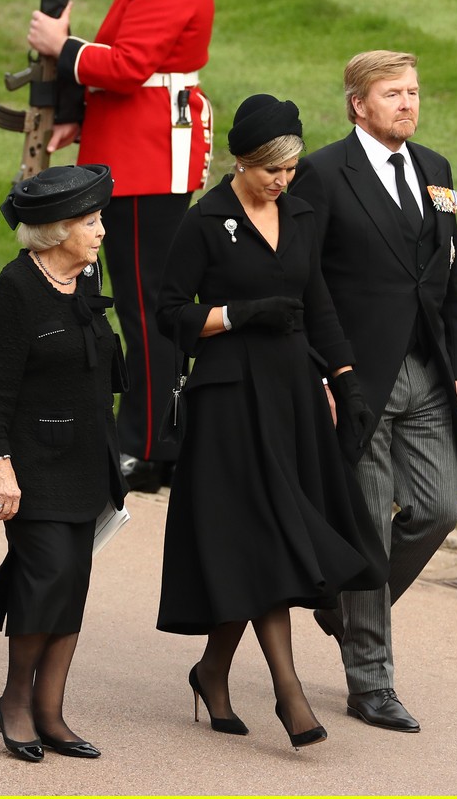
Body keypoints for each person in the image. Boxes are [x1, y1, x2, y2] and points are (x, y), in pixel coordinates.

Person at [154, 94, 386, 750]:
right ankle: (291, 695)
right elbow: (168, 313)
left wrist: (345, 379)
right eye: (270, 171)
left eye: (289, 169)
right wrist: (235, 314)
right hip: (228, 401)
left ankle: (211, 670)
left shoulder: (303, 213)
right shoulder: (205, 222)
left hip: (291, 399)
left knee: (269, 540)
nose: (282, 181)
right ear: (242, 162)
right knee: (268, 537)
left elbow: (320, 304)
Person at [289, 50, 457, 733]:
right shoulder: (323, 173)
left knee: (438, 508)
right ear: (357, 104)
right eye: (393, 92)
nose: (408, 102)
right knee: (368, 522)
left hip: (426, 371)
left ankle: (344, 598)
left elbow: (449, 277)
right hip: (356, 376)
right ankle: (371, 679)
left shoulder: (435, 170)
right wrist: (322, 371)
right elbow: (305, 280)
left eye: (414, 91)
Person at [27, 0, 214, 493]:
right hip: (138, 154)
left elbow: (128, 68)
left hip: (145, 161)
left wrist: (60, 46)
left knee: (148, 310)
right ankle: (165, 440)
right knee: (148, 308)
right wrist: (75, 114)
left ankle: (149, 447)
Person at [0, 164, 126, 762]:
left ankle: (51, 710)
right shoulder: (15, 289)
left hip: (87, 461)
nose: (101, 231)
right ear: (56, 230)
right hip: (33, 465)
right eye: (90, 222)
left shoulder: (85, 278)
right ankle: (15, 701)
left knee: (73, 582)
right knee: (44, 578)